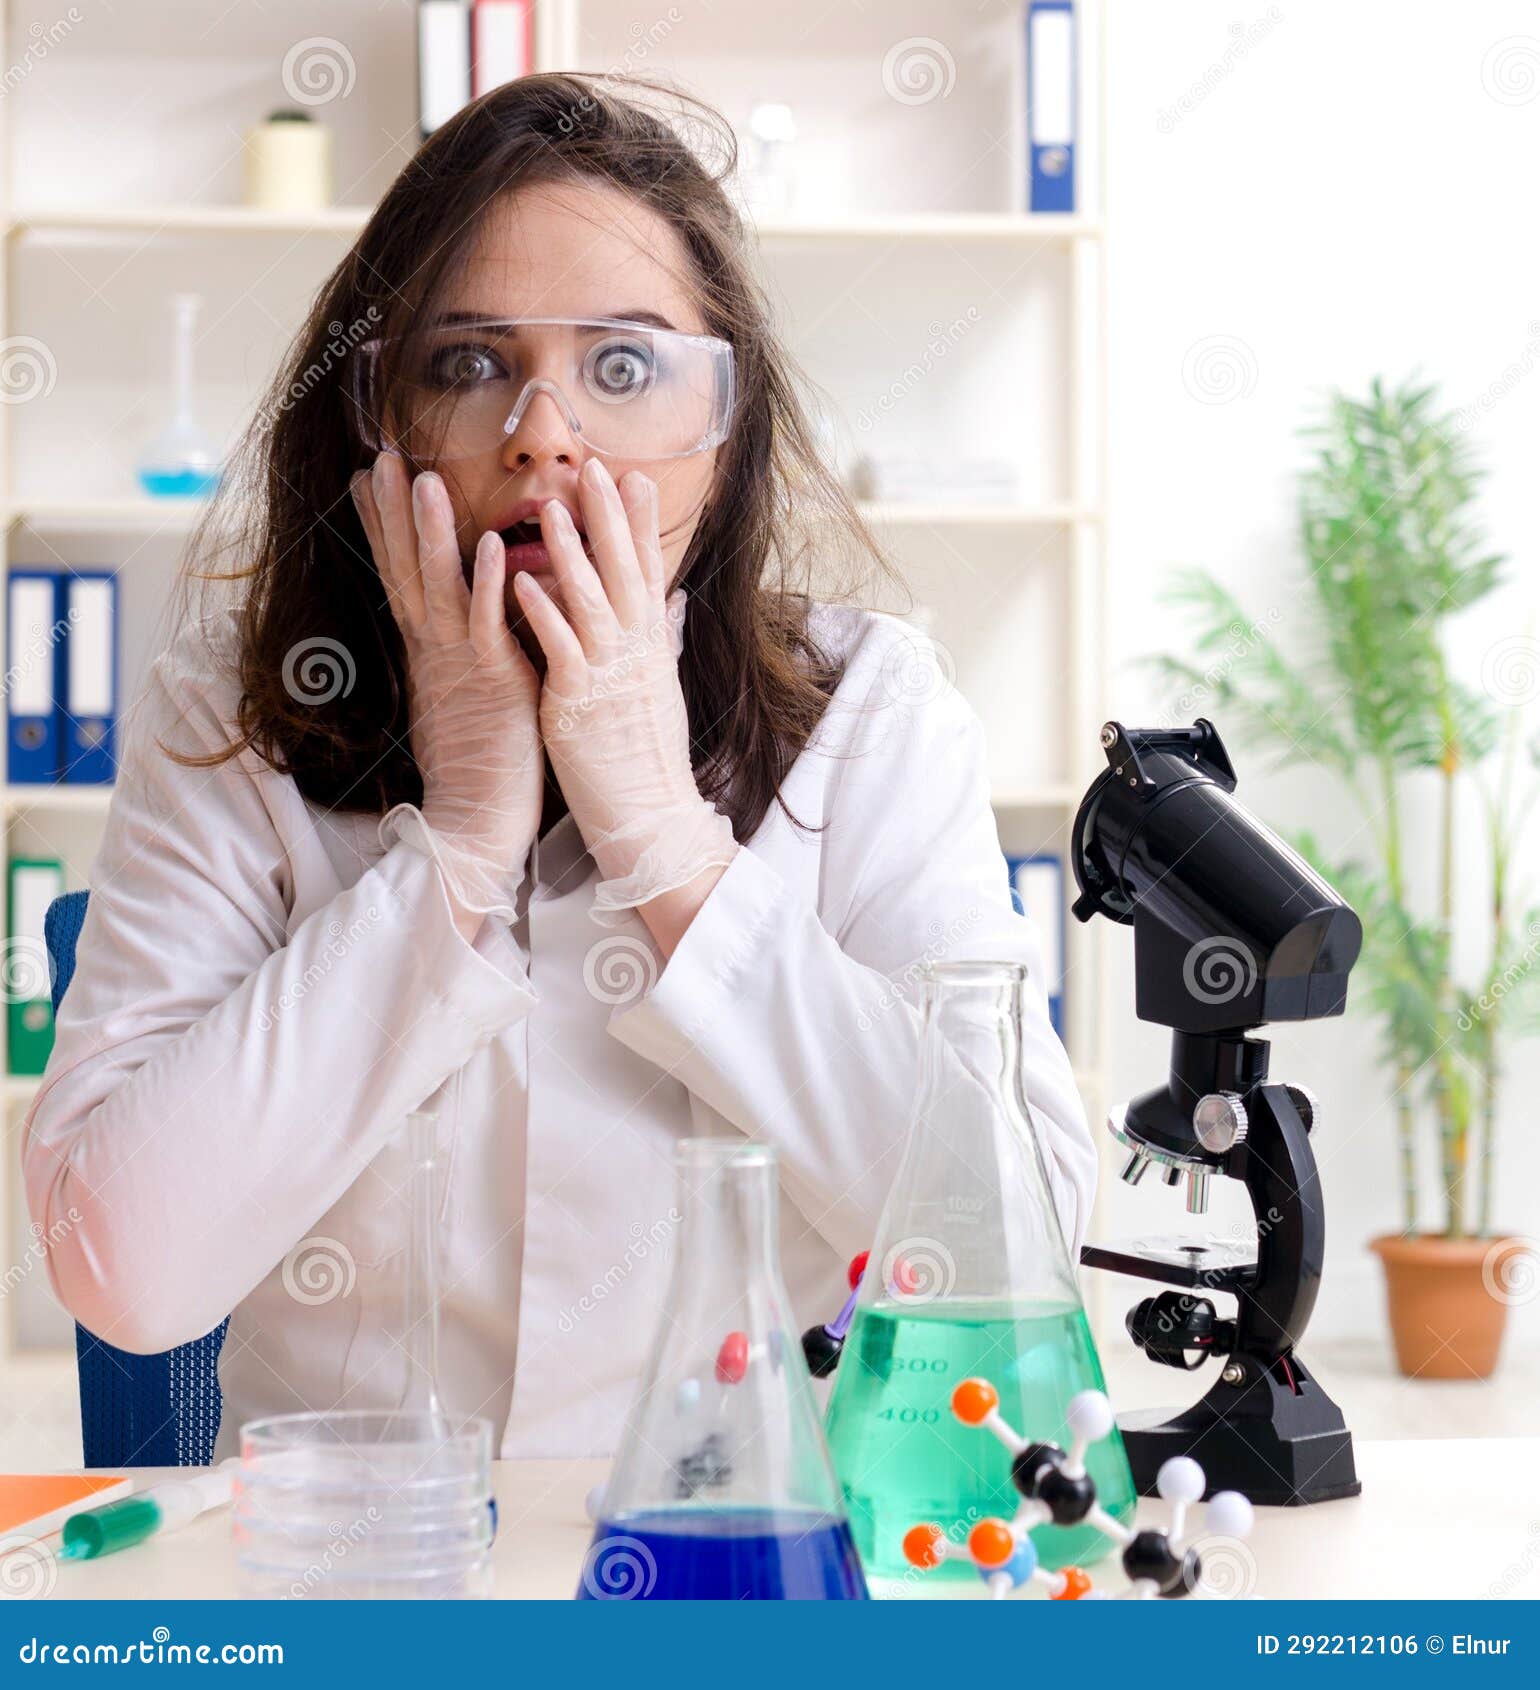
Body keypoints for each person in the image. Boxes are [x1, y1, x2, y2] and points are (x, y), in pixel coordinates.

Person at [23, 73, 1094, 1459]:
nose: (544, 433)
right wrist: (459, 844)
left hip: (740, 1570)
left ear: (722, 435)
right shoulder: (236, 711)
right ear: (378, 422)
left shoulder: (869, 708)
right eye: (467, 364)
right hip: (361, 1584)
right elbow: (125, 1267)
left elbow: (1018, 1249)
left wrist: (664, 838)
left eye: (626, 366)